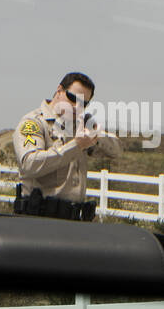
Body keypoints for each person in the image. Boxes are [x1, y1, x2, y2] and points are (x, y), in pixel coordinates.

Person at [11, 72, 122, 220]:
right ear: (59, 91)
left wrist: (95, 136)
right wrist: (76, 145)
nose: (77, 106)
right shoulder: (33, 123)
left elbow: (116, 151)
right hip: (39, 219)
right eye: (72, 98)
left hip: (74, 221)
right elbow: (29, 163)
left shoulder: (80, 126)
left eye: (83, 103)